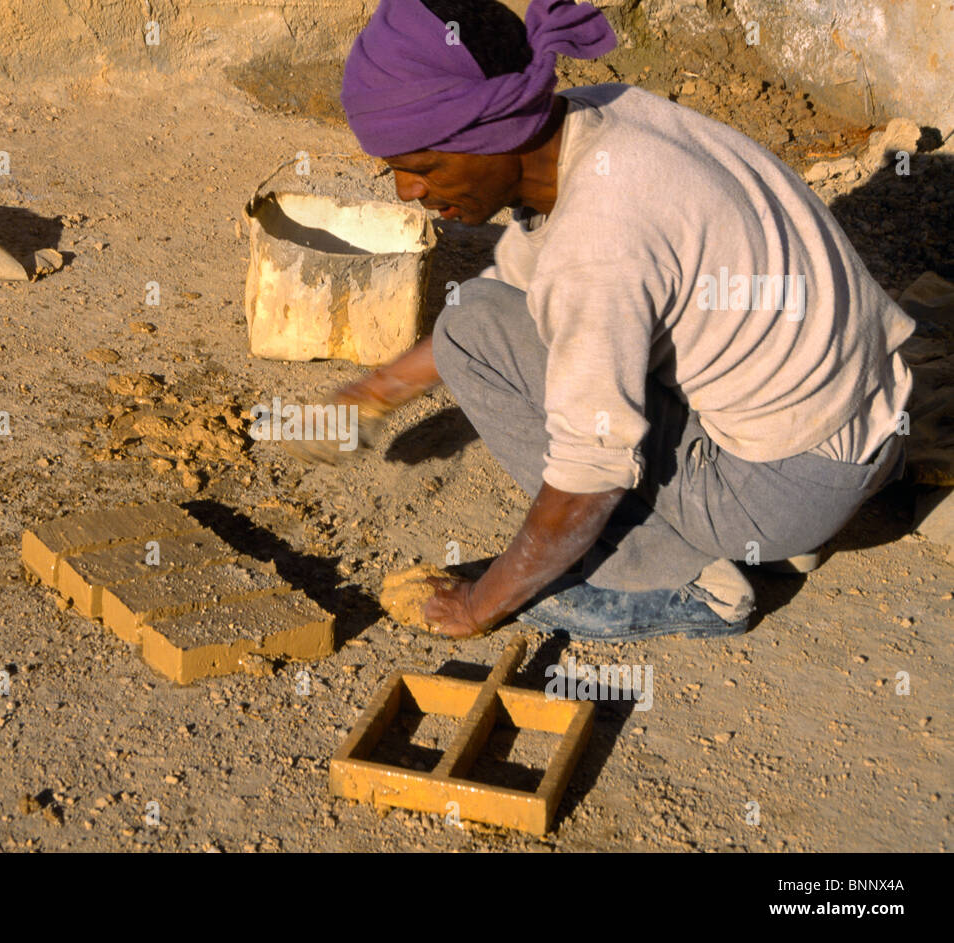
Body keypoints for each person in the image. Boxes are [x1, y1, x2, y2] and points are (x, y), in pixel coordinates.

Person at [326, 0, 914, 641]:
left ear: (495, 132)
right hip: (869, 421)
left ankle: (688, 580)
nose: (408, 190)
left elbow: (588, 476)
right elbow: (515, 288)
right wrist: (375, 392)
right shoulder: (603, 119)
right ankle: (787, 530)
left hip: (780, 489)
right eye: (397, 169)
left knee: (478, 341)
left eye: (424, 166)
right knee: (475, 322)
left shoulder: (598, 241)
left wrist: (477, 605)